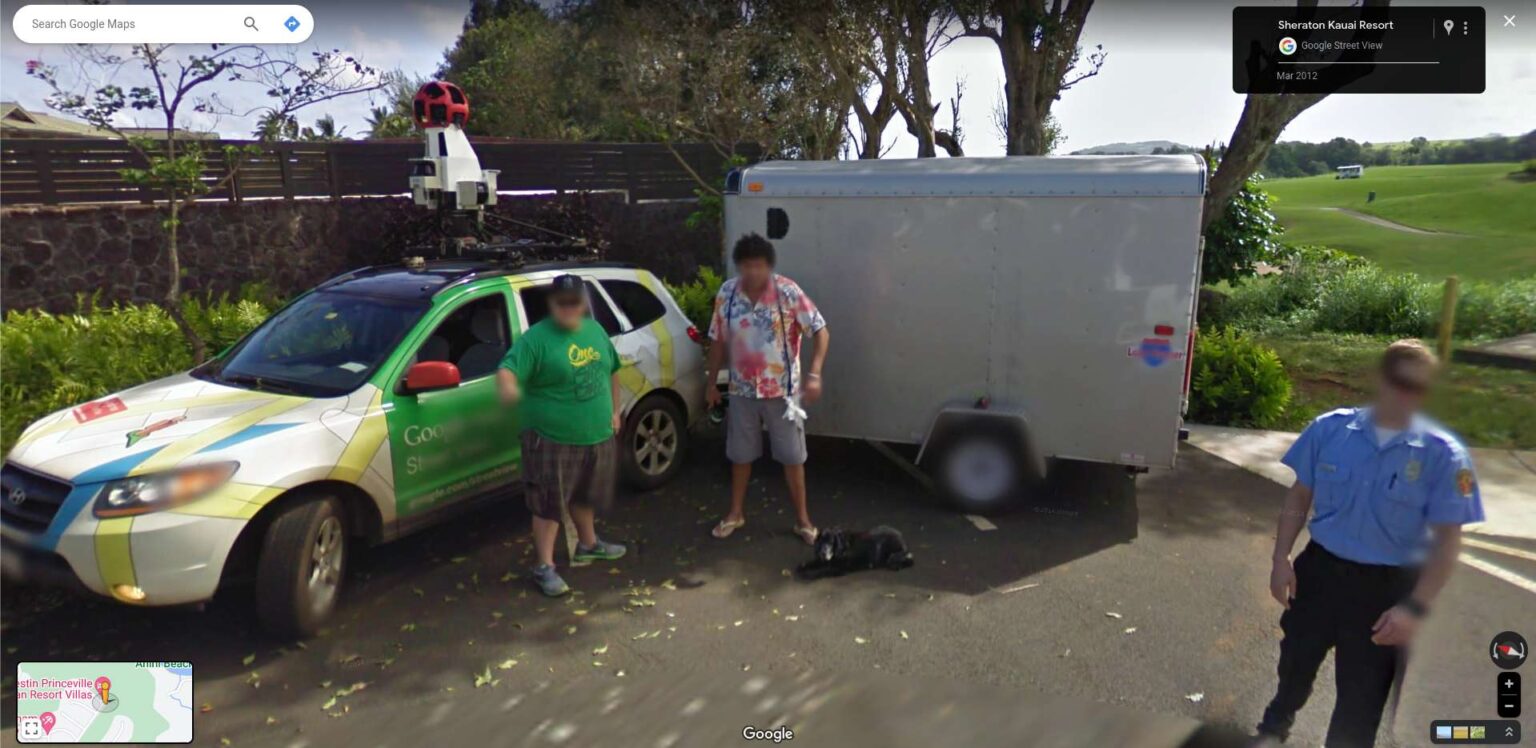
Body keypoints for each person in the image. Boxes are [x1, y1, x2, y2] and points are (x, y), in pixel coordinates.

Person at [1257, 339, 1485, 747]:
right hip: (1320, 573)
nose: (1407, 394)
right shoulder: (1330, 429)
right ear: (1381, 379)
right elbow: (1298, 496)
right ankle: (1276, 724)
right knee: (1295, 661)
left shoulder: (1444, 455)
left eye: (1419, 387)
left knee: (1361, 703)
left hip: (1386, 589)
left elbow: (1449, 541)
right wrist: (1280, 558)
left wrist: (1414, 607)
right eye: (1400, 382)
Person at [497, 274, 627, 597]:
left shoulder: (595, 331)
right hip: (551, 438)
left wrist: (614, 411)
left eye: (574, 301)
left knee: (585, 494)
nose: (569, 308)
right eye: (562, 302)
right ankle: (544, 566)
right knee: (548, 503)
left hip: (596, 434)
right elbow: (508, 369)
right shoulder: (536, 339)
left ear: (582, 302)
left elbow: (612, 369)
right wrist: (509, 388)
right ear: (552, 304)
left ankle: (588, 543)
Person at [705, 233, 829, 545]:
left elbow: (820, 330)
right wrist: (711, 384)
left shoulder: (788, 292)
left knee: (792, 457)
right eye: (746, 266)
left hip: (783, 392)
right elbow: (718, 340)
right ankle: (735, 513)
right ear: (739, 266)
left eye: (759, 266)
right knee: (740, 455)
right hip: (742, 390)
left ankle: (803, 520)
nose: (753, 272)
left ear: (769, 266)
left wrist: (814, 373)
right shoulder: (727, 294)